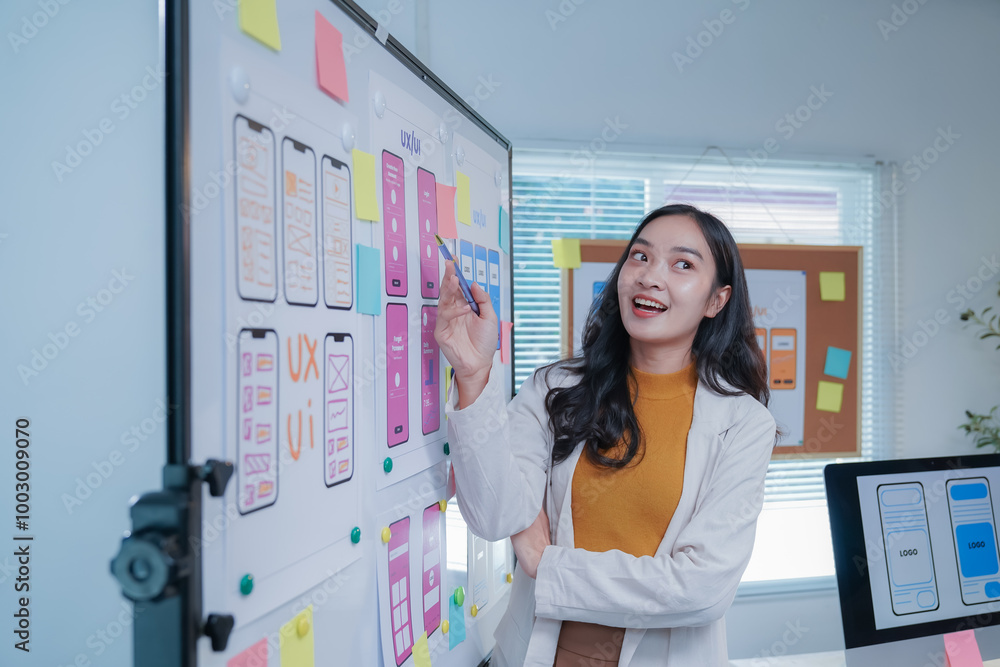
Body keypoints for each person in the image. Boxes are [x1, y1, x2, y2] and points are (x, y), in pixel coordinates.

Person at [435, 204, 778, 666]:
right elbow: (496, 516)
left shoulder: (744, 425)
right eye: (640, 257)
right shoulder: (556, 388)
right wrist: (474, 376)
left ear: (716, 301)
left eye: (682, 264)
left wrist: (545, 563)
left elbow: (702, 589)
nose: (650, 277)